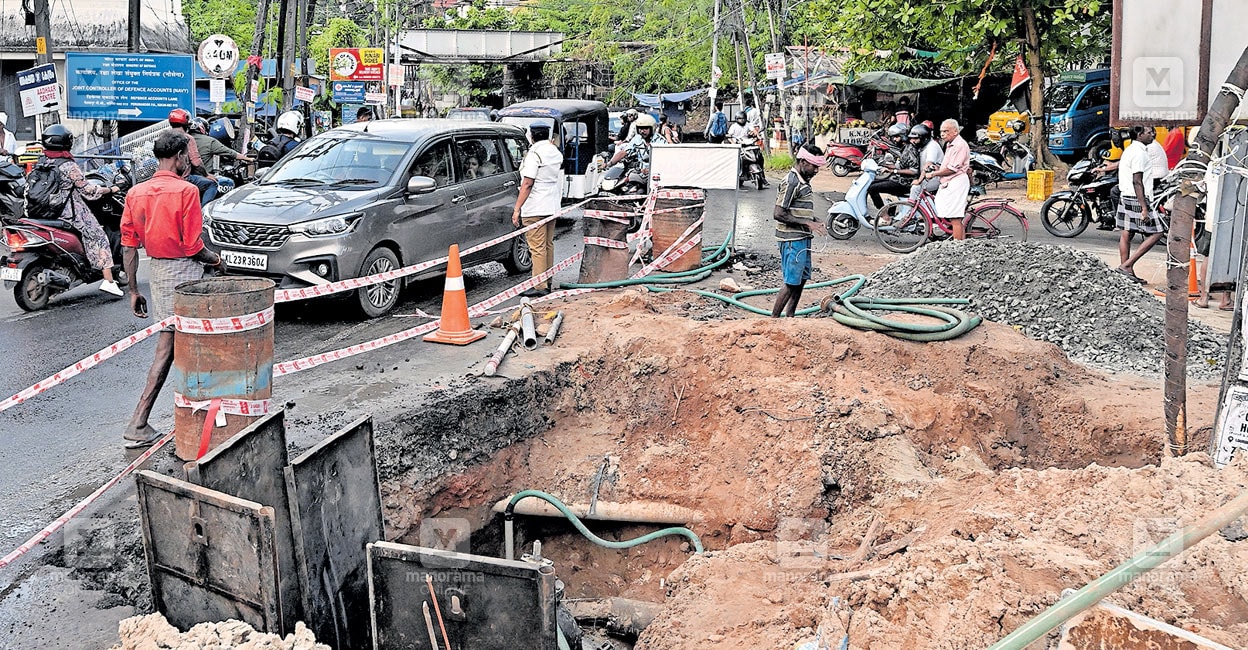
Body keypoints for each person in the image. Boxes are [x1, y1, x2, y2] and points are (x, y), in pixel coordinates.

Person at [119, 131, 223, 447]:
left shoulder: (136, 193)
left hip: (159, 274)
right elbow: (194, 246)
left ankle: (204, 413)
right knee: (174, 347)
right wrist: (217, 260)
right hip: (185, 273)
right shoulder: (186, 191)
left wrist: (134, 289)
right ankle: (138, 422)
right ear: (178, 157)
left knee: (178, 344)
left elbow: (128, 247)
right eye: (186, 158)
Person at [28, 124, 125, 296]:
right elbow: (88, 191)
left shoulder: (41, 161)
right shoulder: (68, 165)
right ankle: (109, 280)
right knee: (97, 236)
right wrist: (110, 190)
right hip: (67, 212)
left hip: (40, 211)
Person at [771, 144, 827, 317]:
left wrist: (812, 220)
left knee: (800, 280)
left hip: (802, 239)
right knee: (791, 282)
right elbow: (779, 213)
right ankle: (773, 320)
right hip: (791, 240)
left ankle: (790, 317)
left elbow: (796, 210)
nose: (816, 170)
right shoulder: (791, 181)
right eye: (814, 166)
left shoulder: (803, 182)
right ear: (803, 162)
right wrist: (807, 223)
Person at [511, 124, 563, 298]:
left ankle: (539, 285)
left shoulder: (534, 154)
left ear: (531, 137)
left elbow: (527, 183)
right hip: (552, 203)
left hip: (535, 206)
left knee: (537, 247)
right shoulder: (554, 151)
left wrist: (517, 209)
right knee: (548, 245)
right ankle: (547, 281)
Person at [1115, 126, 1163, 284]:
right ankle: (1127, 265)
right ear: (1140, 134)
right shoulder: (1140, 153)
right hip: (1137, 197)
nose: (1153, 135)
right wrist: (1144, 207)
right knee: (1158, 232)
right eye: (1149, 132)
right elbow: (1137, 181)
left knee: (1126, 233)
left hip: (1125, 195)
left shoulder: (1130, 149)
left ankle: (1127, 270)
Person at [921, 119, 971, 239]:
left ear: (955, 131)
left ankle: (958, 246)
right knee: (953, 217)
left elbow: (952, 169)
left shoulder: (959, 145)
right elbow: (947, 165)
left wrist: (934, 174)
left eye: (946, 131)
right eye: (941, 131)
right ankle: (960, 244)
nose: (942, 134)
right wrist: (936, 168)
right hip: (949, 182)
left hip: (956, 182)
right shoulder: (950, 144)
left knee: (955, 218)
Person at [166, 108, 219, 206]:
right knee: (212, 184)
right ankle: (204, 213)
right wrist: (206, 175)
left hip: (165, 178)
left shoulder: (163, 137)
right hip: (184, 179)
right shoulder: (187, 138)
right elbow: (196, 162)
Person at [868, 123, 919, 210]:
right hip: (901, 180)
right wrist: (884, 165)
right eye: (893, 137)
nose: (894, 140)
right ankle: (891, 213)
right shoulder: (904, 148)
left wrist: (894, 171)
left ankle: (884, 216)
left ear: (903, 136)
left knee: (872, 188)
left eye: (896, 137)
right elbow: (899, 165)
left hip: (906, 183)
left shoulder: (910, 149)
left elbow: (914, 171)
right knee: (873, 183)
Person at [908, 123, 944, 199]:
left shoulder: (932, 146)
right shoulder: (922, 146)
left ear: (924, 138)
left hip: (936, 178)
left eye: (916, 139)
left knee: (916, 188)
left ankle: (910, 210)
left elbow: (928, 164)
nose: (913, 141)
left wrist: (919, 181)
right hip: (928, 177)